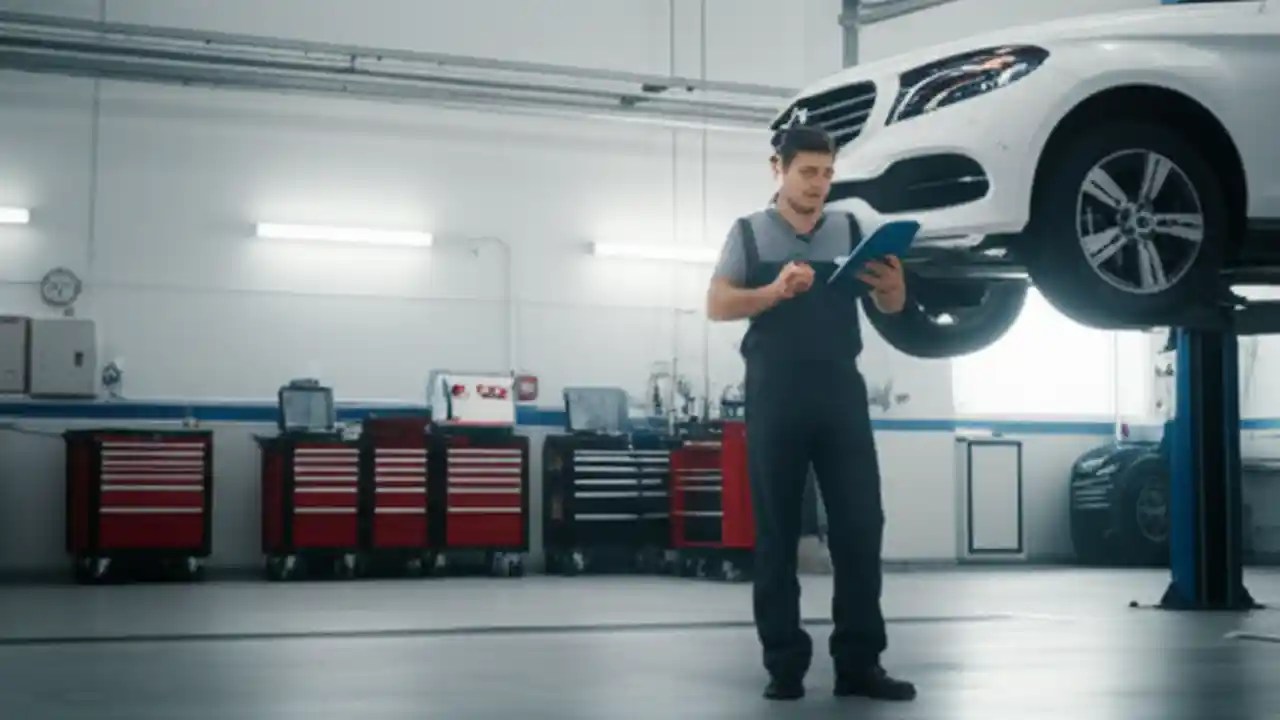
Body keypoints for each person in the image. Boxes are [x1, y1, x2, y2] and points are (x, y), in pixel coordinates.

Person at [706, 124, 917, 703]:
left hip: (840, 390)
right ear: (778, 168)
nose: (818, 184)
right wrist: (773, 292)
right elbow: (717, 302)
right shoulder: (749, 234)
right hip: (776, 390)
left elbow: (892, 307)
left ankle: (859, 664)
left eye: (826, 173)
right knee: (776, 531)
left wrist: (892, 287)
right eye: (807, 172)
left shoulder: (850, 230)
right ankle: (784, 665)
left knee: (861, 525)